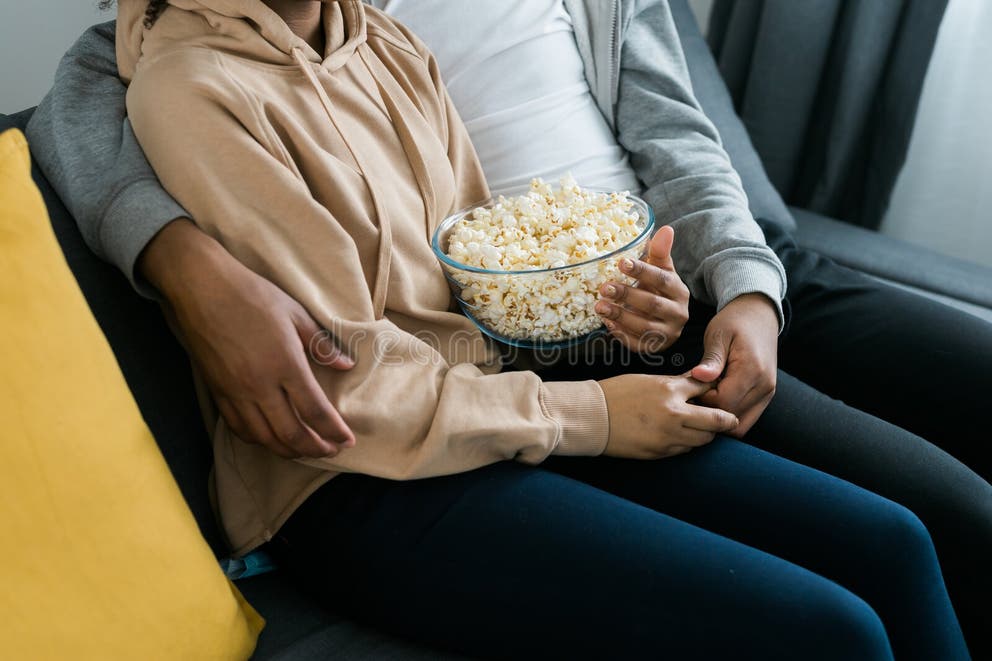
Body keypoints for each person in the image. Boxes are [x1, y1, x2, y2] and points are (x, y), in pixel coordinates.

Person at [24, 0, 986, 657]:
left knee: (895, 541)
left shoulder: (390, 44)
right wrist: (597, 415)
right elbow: (349, 387)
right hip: (355, 477)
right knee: (830, 630)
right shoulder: (190, 87)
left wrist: (622, 325)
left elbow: (477, 277)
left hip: (495, 402)